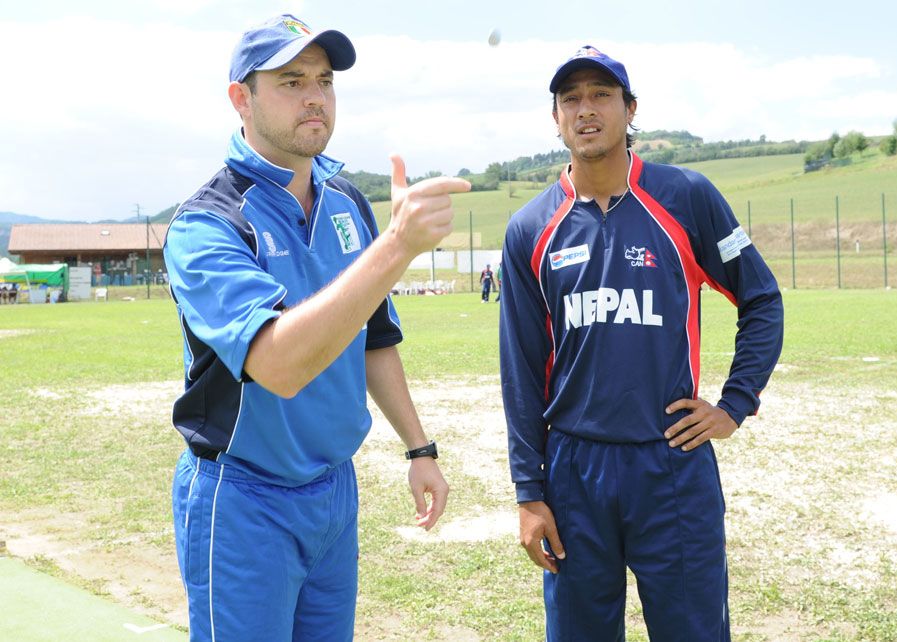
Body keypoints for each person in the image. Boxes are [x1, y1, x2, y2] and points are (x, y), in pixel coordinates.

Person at [163, 14, 470, 642]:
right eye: (291, 81)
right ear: (241, 99)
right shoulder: (207, 224)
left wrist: (419, 449)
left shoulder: (346, 201)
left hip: (333, 492)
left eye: (325, 81)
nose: (315, 97)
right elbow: (279, 366)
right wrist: (396, 247)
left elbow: (373, 338)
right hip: (243, 498)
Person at [499, 45, 784, 641]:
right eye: (571, 98)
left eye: (601, 95)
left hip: (671, 462)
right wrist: (529, 492)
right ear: (555, 118)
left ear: (630, 110)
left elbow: (761, 299)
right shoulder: (530, 228)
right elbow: (520, 369)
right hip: (574, 471)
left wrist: (734, 405)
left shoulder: (687, 195)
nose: (586, 109)